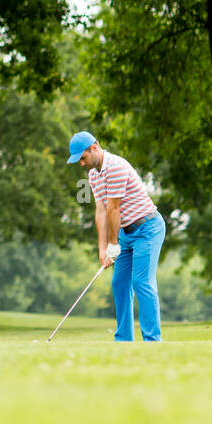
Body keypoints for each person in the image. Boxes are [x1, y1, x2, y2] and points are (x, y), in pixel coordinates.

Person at [66, 131, 165, 342]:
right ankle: (123, 340)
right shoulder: (93, 175)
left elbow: (114, 209)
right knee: (119, 283)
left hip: (147, 228)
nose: (81, 164)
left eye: (82, 158)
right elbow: (101, 211)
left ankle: (152, 341)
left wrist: (113, 244)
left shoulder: (116, 167)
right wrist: (102, 249)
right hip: (125, 233)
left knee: (141, 282)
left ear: (94, 147)